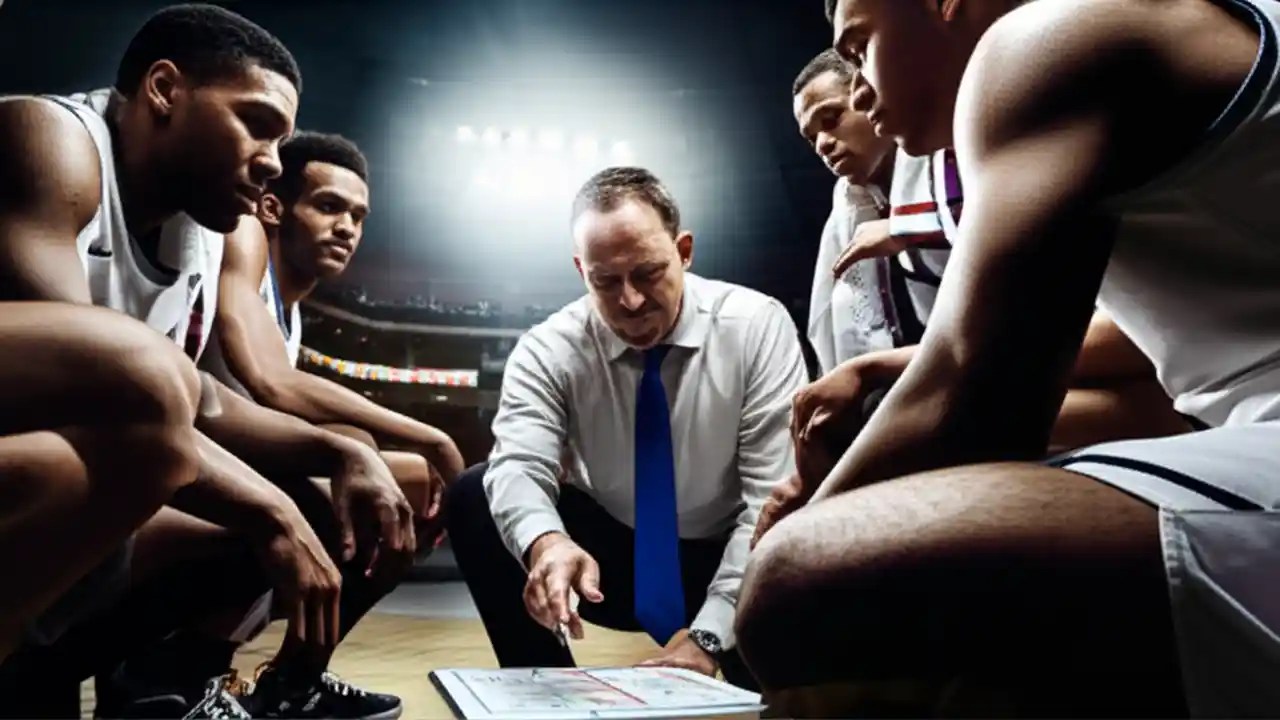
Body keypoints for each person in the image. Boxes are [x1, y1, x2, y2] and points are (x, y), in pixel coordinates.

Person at [737, 0, 1280, 716]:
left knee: (800, 577)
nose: (859, 87)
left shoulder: (1040, 43)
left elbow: (974, 404)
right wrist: (883, 370)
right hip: (1252, 427)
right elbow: (1142, 350)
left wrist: (798, 523)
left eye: (861, 47)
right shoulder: (1139, 32)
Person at [0, 5, 410, 718]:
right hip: (38, 461)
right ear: (164, 89)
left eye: (282, 139)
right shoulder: (52, 139)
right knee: (136, 406)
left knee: (318, 506)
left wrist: (338, 450)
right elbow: (104, 392)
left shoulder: (204, 229)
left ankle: (151, 683)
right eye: (257, 123)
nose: (274, 161)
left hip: (64, 482)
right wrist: (271, 511)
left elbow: (202, 403)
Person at [444, 167, 807, 689]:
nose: (631, 301)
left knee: (779, 681)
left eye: (648, 273)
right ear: (580, 271)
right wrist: (546, 544)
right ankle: (545, 693)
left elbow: (769, 499)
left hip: (731, 556)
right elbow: (520, 464)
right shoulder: (549, 348)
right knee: (476, 492)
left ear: (684, 251)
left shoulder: (755, 326)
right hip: (606, 566)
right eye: (606, 282)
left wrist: (709, 634)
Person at [201, 130, 462, 532]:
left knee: (367, 451)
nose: (347, 228)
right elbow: (275, 383)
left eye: (357, 217)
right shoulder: (243, 235)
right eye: (328, 207)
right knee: (389, 472)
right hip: (182, 446)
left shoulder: (292, 311)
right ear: (272, 208)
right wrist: (431, 437)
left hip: (230, 449)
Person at [792, 49, 920, 373]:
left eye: (831, 119)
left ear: (869, 96)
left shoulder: (949, 163)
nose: (822, 143)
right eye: (811, 138)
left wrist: (905, 228)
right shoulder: (843, 219)